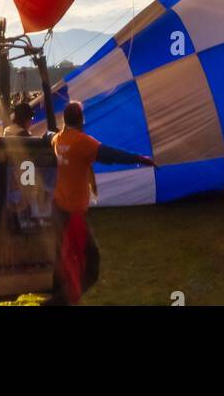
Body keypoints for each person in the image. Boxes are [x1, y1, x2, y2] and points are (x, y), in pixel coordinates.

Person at [48, 101, 154, 305]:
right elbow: (111, 154)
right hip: (72, 215)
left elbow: (49, 135)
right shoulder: (81, 142)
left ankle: (59, 297)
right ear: (80, 119)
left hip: (58, 209)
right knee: (91, 266)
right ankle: (59, 301)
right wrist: (140, 159)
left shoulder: (58, 139)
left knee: (64, 262)